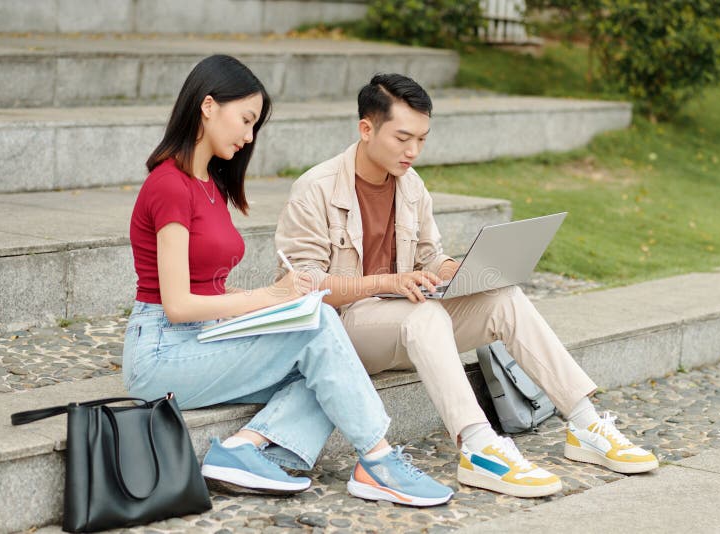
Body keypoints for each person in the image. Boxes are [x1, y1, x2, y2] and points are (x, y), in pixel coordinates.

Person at [274, 73, 659, 499]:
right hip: (346, 331)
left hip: (409, 320)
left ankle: (586, 423)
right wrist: (388, 282)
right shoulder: (315, 189)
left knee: (502, 297)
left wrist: (456, 269)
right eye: (403, 138)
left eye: (422, 139)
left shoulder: (411, 186)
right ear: (366, 129)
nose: (413, 151)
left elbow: (428, 257)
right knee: (426, 315)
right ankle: (478, 447)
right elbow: (302, 286)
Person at [122, 56, 453, 507]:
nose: (248, 136)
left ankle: (244, 447)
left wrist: (275, 300)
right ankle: (378, 459)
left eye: (254, 124)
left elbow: (206, 287)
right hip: (162, 350)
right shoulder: (169, 186)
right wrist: (269, 297)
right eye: (245, 120)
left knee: (327, 365)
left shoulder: (208, 184)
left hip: (200, 338)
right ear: (207, 106)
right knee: (318, 324)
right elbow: (176, 304)